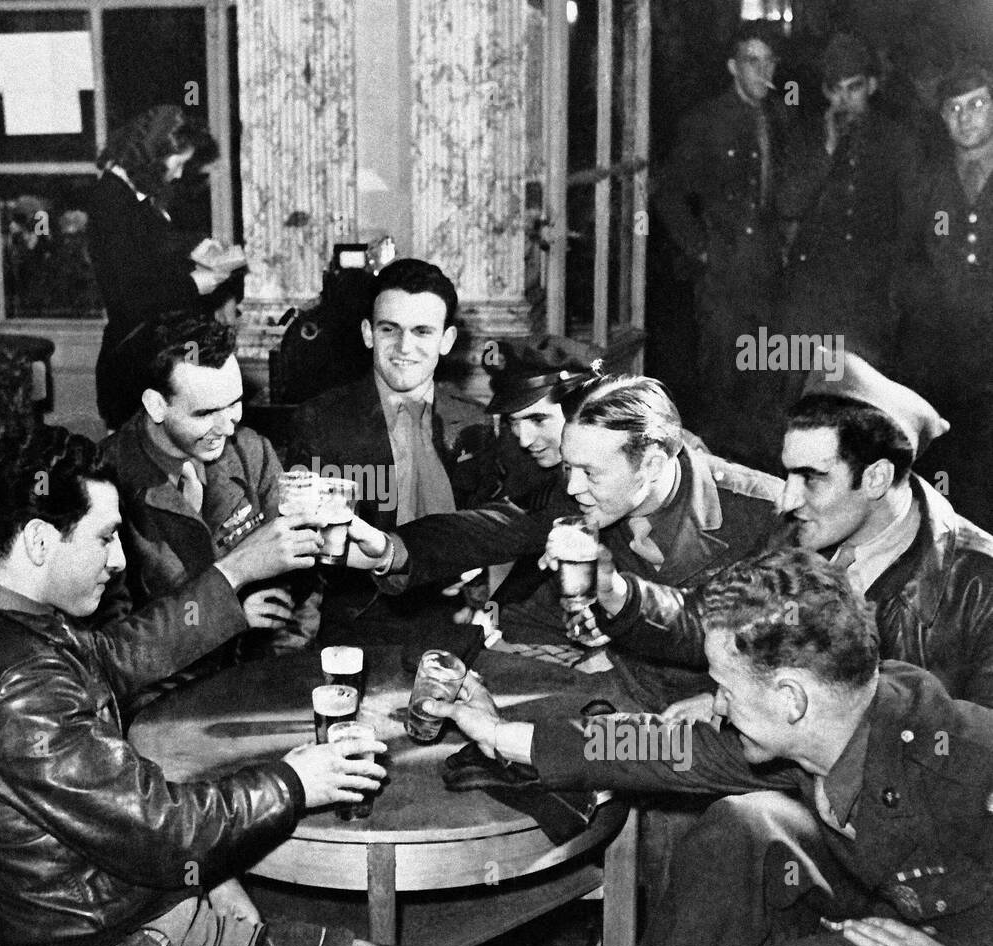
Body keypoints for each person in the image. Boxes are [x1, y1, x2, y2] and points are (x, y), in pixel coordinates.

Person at [0, 426, 415, 946]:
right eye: (105, 537)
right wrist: (297, 780)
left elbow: (117, 654)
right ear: (39, 541)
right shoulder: (22, 688)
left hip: (102, 910)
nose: (118, 562)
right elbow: (169, 831)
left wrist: (235, 570)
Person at [426, 547, 993, 946]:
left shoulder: (967, 760)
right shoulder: (829, 718)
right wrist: (501, 734)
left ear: (791, 698)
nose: (715, 703)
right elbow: (667, 750)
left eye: (725, 686)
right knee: (745, 823)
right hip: (876, 895)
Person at [587, 353, 993, 710]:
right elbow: (718, 619)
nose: (787, 499)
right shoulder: (796, 535)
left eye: (811, 478)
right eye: (788, 474)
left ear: (877, 478)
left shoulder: (980, 586)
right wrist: (614, 592)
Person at [353, 374, 783, 706]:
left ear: (651, 464)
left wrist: (720, 700)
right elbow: (497, 527)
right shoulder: (588, 487)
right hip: (620, 688)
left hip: (719, 717)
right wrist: (391, 549)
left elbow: (788, 650)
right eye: (569, 468)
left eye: (590, 473)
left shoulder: (767, 514)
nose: (573, 488)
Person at [285, 259, 525, 642]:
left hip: (458, 619)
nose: (404, 348)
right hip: (359, 626)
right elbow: (303, 550)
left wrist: (482, 585)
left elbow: (498, 524)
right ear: (368, 333)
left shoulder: (477, 422)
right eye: (389, 329)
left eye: (422, 332)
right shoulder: (320, 422)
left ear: (446, 341)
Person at [97, 316, 321, 705]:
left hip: (260, 680)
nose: (229, 426)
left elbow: (303, 590)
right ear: (156, 405)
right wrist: (226, 611)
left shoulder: (252, 453)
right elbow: (118, 653)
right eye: (205, 414)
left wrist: (276, 674)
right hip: (163, 702)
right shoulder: (103, 482)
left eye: (235, 404)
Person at [654, 24, 786, 470]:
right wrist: (702, 249)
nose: (762, 71)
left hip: (768, 276)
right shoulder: (707, 121)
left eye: (768, 61)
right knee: (721, 385)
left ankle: (754, 483)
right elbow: (668, 194)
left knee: (762, 383)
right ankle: (712, 487)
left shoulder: (777, 119)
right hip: (723, 280)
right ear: (733, 67)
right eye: (752, 60)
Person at [90, 104, 240, 431]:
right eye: (179, 163)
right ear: (155, 158)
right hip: (132, 364)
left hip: (150, 356)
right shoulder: (112, 202)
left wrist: (196, 246)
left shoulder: (132, 194)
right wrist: (195, 285)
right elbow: (130, 294)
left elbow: (152, 241)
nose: (181, 173)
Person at [775, 34, 920, 364]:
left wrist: (894, 285)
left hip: (870, 295)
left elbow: (912, 220)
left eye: (853, 88)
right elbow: (787, 204)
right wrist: (825, 151)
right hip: (812, 291)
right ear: (826, 91)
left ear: (870, 86)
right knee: (805, 390)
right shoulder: (807, 135)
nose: (844, 100)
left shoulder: (898, 141)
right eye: (836, 90)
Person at [893, 63, 993, 532]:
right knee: (941, 487)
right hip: (939, 366)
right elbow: (904, 260)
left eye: (978, 104)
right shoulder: (928, 183)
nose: (966, 118)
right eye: (954, 109)